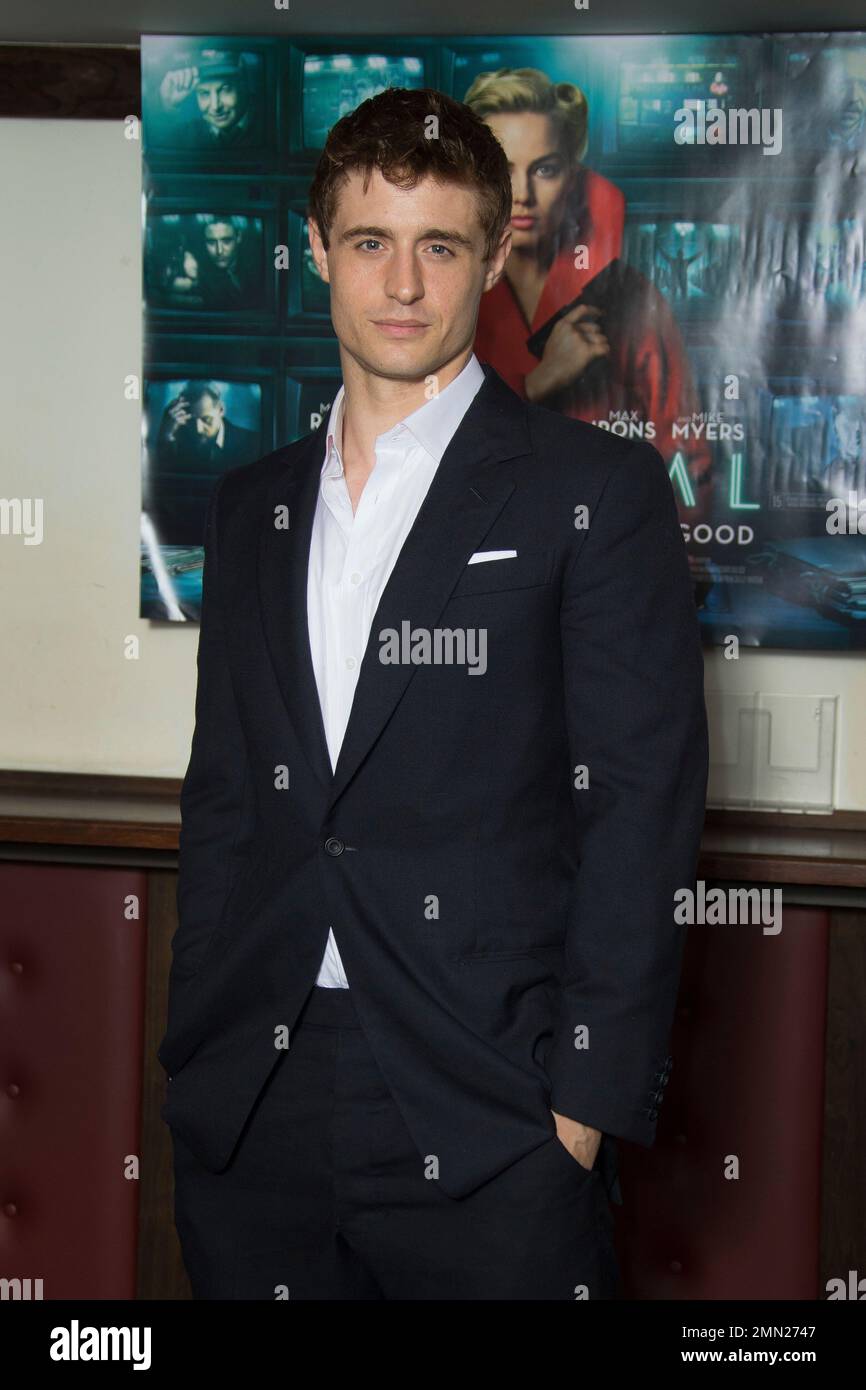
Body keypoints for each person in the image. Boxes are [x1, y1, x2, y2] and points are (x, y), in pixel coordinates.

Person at [159, 85, 709, 1301]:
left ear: (495, 250)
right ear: (316, 253)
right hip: (256, 1098)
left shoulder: (596, 493)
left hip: (491, 1107)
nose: (402, 284)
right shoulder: (251, 508)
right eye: (370, 243)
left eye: (439, 246)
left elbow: (639, 808)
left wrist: (579, 1106)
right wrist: (193, 1054)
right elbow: (227, 805)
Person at [464, 67, 712, 525]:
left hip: (609, 554)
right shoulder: (445, 293)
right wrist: (541, 381)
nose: (523, 194)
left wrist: (666, 568)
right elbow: (420, 445)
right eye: (501, 167)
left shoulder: (629, 297)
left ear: (573, 175)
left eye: (546, 169)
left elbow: (684, 447)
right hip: (480, 555)